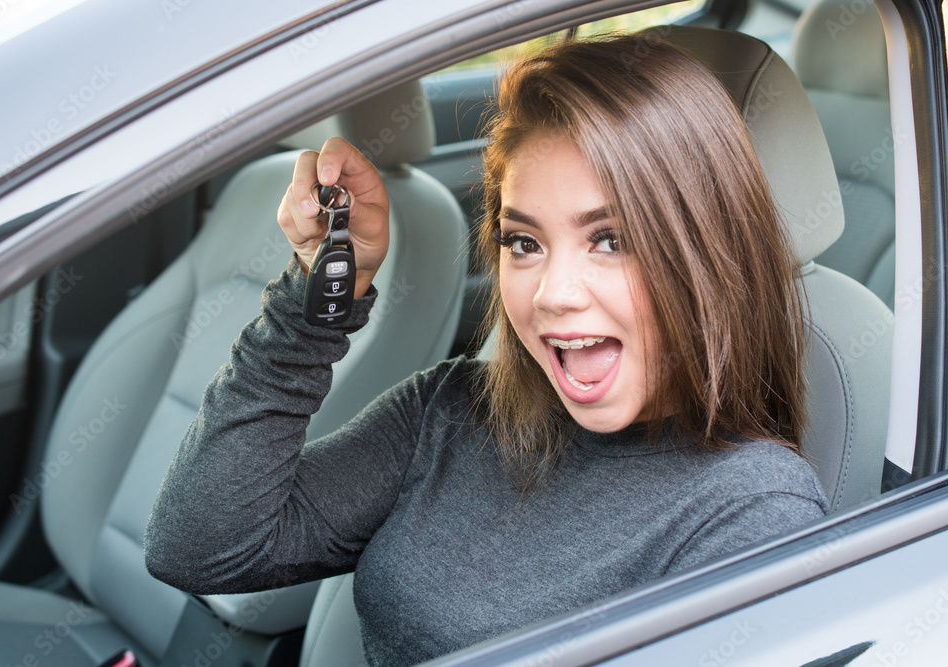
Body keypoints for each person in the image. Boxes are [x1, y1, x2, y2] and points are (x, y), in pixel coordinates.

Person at [145, 32, 829, 666]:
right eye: (523, 242)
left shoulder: (752, 513)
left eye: (612, 239)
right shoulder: (451, 409)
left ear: (708, 250)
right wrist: (317, 300)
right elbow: (200, 545)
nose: (555, 293)